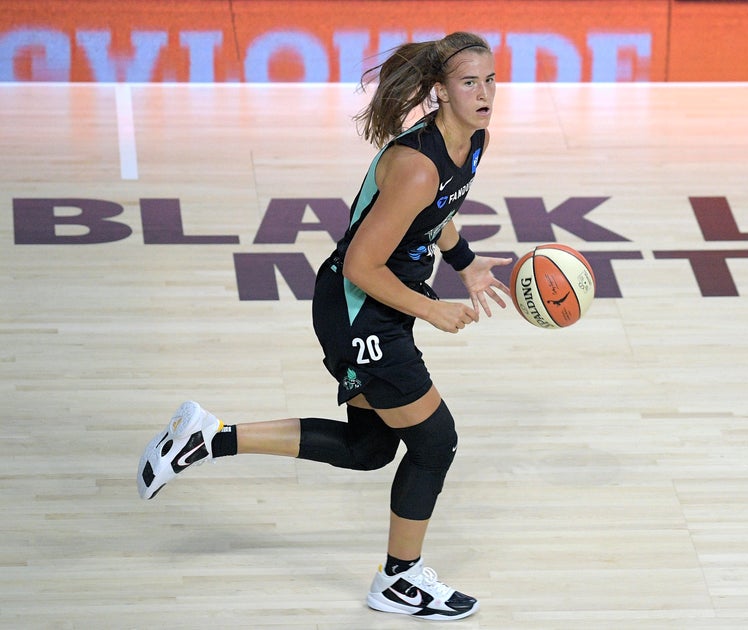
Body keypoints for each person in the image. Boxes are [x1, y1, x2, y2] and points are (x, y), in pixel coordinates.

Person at [136, 31, 509, 622]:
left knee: (369, 448)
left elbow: (439, 214)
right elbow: (363, 263)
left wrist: (464, 264)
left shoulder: (474, 141)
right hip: (359, 307)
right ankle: (400, 580)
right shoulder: (414, 165)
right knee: (436, 441)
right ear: (439, 92)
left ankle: (208, 437)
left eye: (490, 79)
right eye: (470, 82)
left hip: (377, 306)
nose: (485, 92)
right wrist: (433, 309)